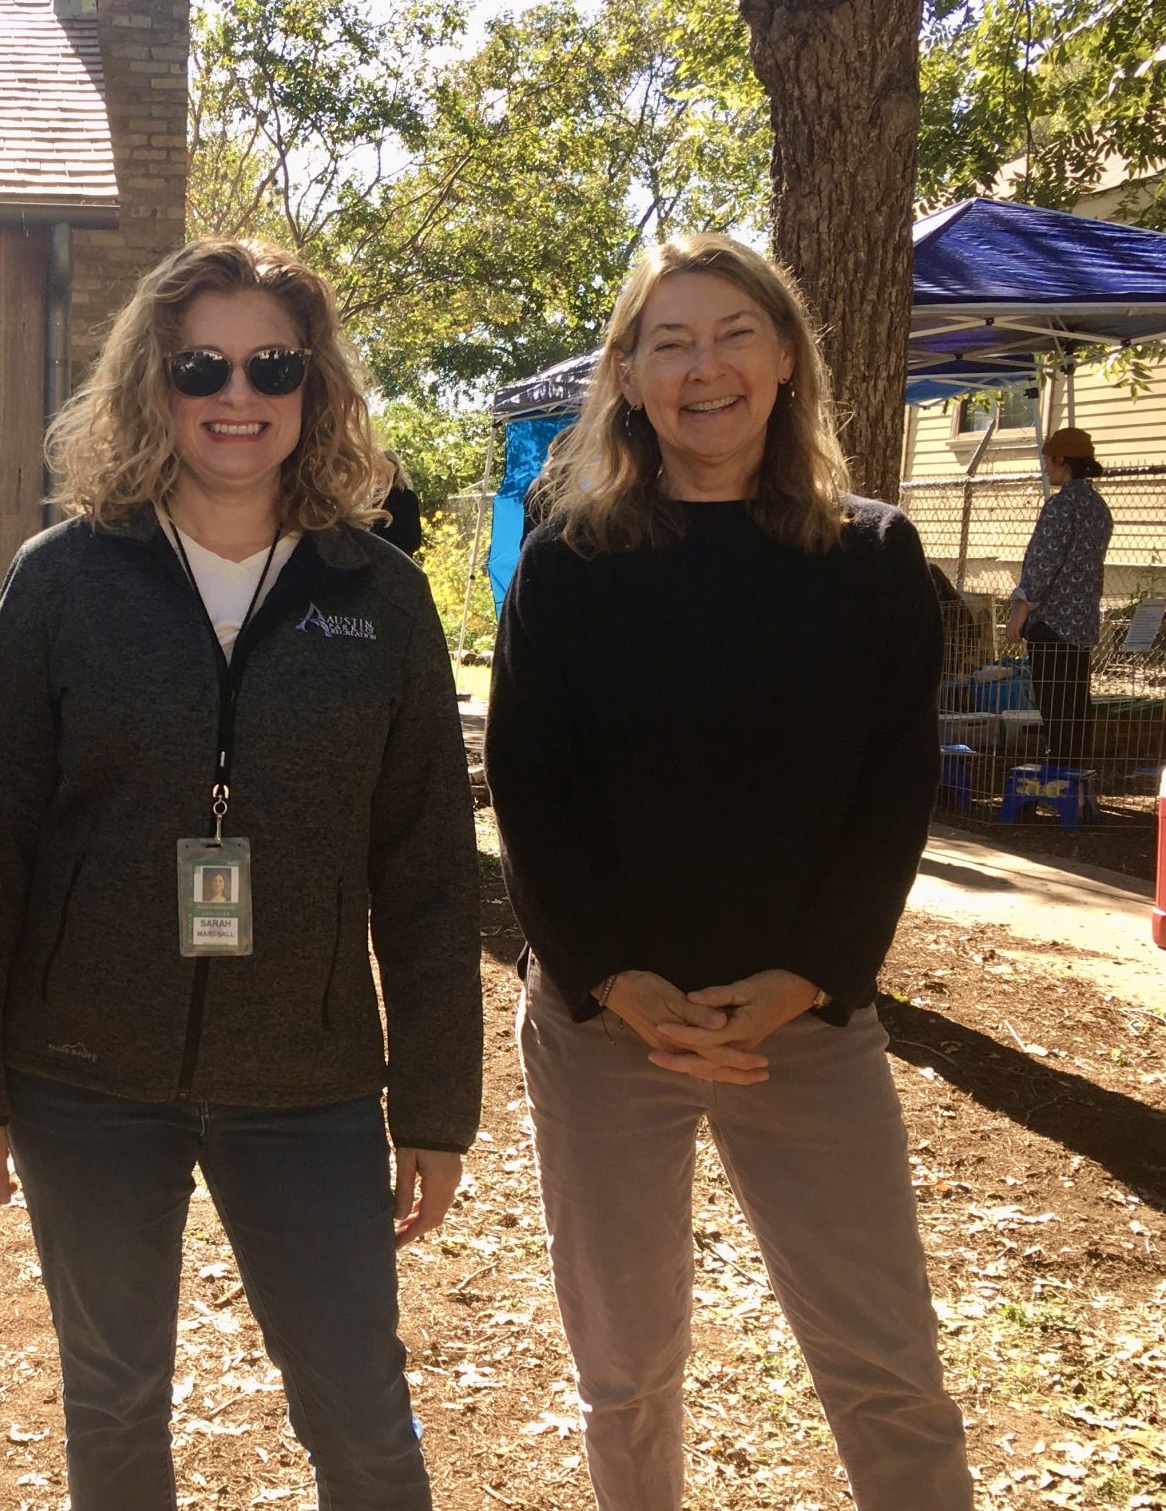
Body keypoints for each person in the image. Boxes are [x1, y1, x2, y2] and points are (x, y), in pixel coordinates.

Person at [0, 236, 482, 1510]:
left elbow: (426, 874)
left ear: (313, 386)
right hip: (82, 1079)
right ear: (153, 385)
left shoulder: (379, 596)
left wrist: (434, 1105)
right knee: (112, 1397)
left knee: (357, 1402)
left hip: (310, 1080)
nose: (236, 395)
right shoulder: (61, 579)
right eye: (201, 366)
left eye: (270, 364)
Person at [485, 233, 972, 1511]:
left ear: (787, 359)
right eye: (670, 341)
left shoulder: (871, 560)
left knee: (884, 1366)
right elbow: (530, 795)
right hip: (603, 1029)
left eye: (733, 334)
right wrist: (609, 981)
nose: (705, 368)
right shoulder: (565, 564)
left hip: (802, 1026)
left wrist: (811, 974)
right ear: (629, 380)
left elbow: (892, 791)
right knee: (626, 1373)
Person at [1005, 425, 1112, 769]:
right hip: (1082, 621)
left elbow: (1043, 563)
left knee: (1053, 700)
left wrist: (1020, 611)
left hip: (1051, 622)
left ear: (1062, 459)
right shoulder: (1098, 508)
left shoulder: (1061, 506)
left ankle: (1058, 769)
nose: (1045, 466)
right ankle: (1075, 766)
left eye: (1048, 459)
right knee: (1077, 698)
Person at [372, 455, 423, 555]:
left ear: (395, 468)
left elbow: (413, 540)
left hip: (398, 559)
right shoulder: (372, 499)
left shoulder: (407, 498)